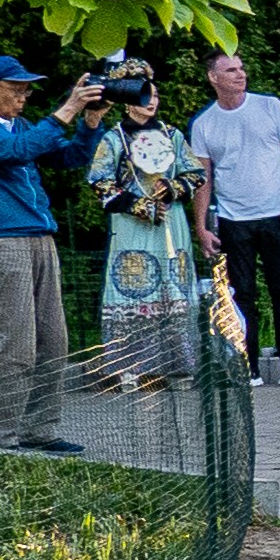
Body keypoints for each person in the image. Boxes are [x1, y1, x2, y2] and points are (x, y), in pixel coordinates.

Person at [0, 56, 105, 450]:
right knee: (15, 343)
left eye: (27, 90)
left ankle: (40, 430)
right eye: (17, 90)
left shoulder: (20, 124)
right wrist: (69, 107)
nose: (24, 98)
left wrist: (91, 121)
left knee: (53, 342)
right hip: (2, 238)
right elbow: (16, 151)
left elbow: (70, 157)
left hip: (39, 235)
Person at [84, 63, 210, 388]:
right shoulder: (114, 139)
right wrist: (137, 205)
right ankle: (132, 369)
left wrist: (174, 187)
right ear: (128, 100)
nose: (151, 102)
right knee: (134, 290)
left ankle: (179, 367)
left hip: (171, 225)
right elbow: (99, 181)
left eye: (155, 95)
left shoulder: (172, 135)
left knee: (175, 289)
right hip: (131, 227)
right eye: (144, 96)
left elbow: (196, 173)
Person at [191, 52, 280, 386]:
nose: (240, 74)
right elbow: (203, 178)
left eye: (242, 68)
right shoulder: (204, 124)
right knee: (241, 294)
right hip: (232, 219)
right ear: (213, 77)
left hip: (276, 215)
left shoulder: (269, 107)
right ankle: (249, 367)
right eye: (231, 70)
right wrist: (201, 227)